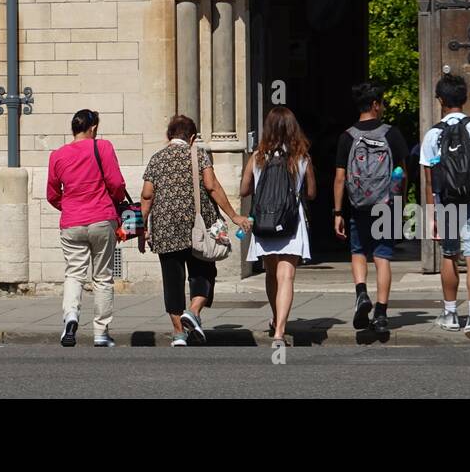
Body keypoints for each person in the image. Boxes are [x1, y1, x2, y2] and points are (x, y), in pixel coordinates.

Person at [141, 115, 250, 347]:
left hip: (165, 230)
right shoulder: (198, 154)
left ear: (168, 136)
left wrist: (141, 230)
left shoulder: (156, 159)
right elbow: (212, 186)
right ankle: (193, 311)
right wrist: (234, 215)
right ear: (192, 138)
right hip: (197, 229)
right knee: (204, 273)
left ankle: (179, 334)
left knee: (173, 281)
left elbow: (147, 196)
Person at [421, 74, 470, 345]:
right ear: (464, 98)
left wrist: (432, 214)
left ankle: (450, 314)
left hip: (447, 203)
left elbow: (430, 179)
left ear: (441, 100)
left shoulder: (432, 134)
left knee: (449, 254)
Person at [334, 81, 409, 338]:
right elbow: (401, 173)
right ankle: (381, 314)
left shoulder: (347, 136)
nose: (384, 106)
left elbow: (340, 178)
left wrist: (337, 213)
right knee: (382, 256)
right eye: (383, 102)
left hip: (358, 205)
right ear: (375, 105)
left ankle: (361, 292)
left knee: (358, 251)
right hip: (385, 203)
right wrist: (400, 202)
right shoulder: (391, 133)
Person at [46, 109, 125, 348]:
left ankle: (71, 317)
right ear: (92, 128)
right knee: (102, 277)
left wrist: (69, 206)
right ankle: (101, 332)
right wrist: (115, 201)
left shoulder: (57, 155)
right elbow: (116, 183)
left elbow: (52, 194)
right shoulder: (103, 147)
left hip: (71, 222)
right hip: (102, 218)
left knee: (74, 274)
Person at [241, 105, 316, 347]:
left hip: (265, 222)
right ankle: (279, 332)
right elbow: (312, 193)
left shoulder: (257, 157)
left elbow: (243, 191)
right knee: (287, 276)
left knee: (272, 274)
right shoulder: (302, 158)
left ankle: (275, 317)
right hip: (291, 223)